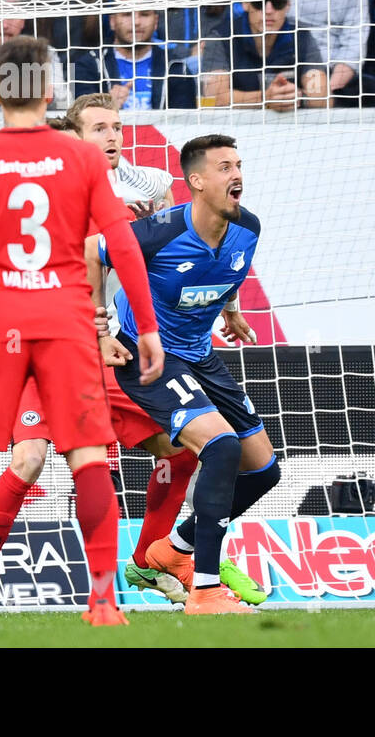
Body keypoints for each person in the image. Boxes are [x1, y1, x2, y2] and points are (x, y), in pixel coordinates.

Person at [0, 36, 163, 628]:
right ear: (50, 93)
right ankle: (102, 600)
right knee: (89, 461)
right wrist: (145, 326)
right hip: (68, 323)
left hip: (0, 323)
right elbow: (122, 244)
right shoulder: (80, 161)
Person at [88, 134, 280, 615]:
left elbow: (232, 269)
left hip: (200, 352)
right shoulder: (162, 231)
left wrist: (232, 310)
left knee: (263, 470)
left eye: (238, 164)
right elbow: (93, 251)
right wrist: (99, 329)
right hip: (147, 353)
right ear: (196, 182)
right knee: (220, 446)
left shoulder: (248, 227)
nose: (236, 174)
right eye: (223, 167)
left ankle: (172, 549)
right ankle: (206, 591)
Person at [200, 0, 329, 110]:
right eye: (259, 1)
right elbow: (214, 98)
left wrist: (294, 97)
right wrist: (266, 98)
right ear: (245, 3)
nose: (269, 10)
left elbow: (323, 98)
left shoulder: (302, 36)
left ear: (288, 4)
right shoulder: (220, 37)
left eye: (277, 2)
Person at [73, 0, 196, 108]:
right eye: (127, 14)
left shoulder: (176, 68)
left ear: (156, 21)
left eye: (144, 14)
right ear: (112, 21)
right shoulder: (88, 66)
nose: (136, 22)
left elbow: (185, 122)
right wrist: (106, 108)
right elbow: (78, 123)